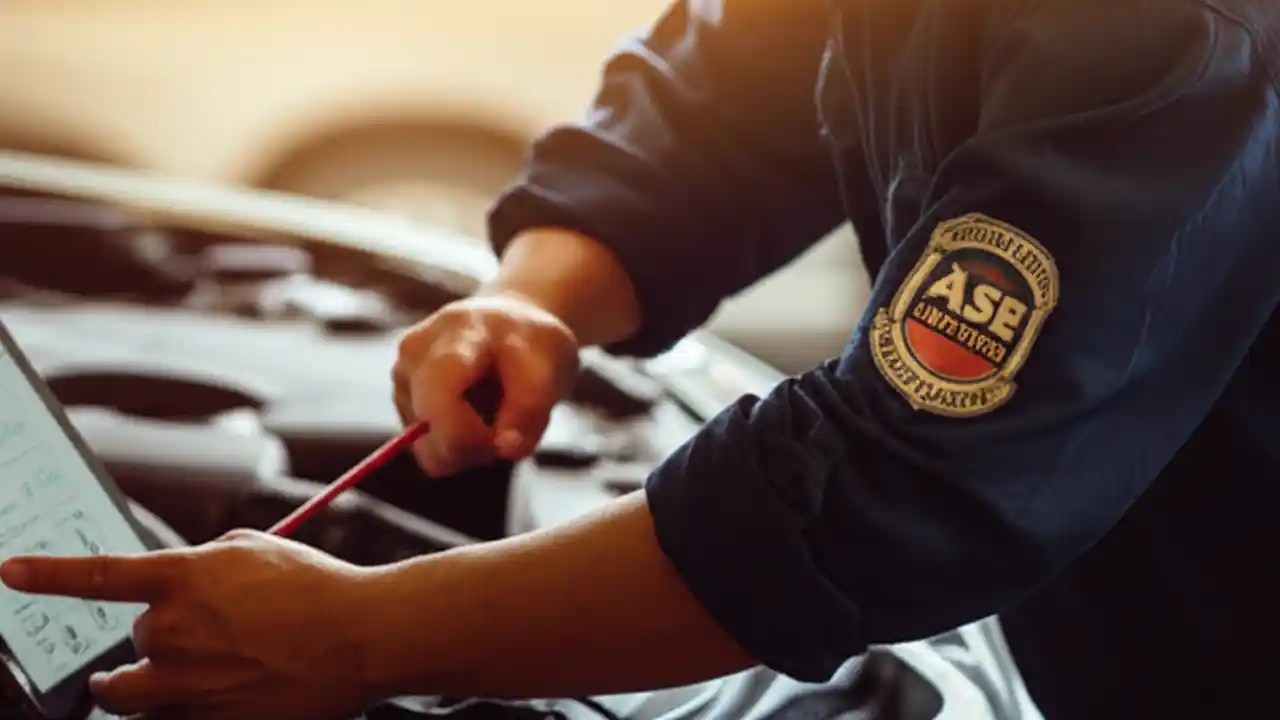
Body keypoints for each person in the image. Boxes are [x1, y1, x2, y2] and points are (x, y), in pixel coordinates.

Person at [4, 0, 1279, 717]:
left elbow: (891, 487)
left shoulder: (1168, 29)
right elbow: (740, 82)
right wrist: (535, 296)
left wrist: (364, 636)